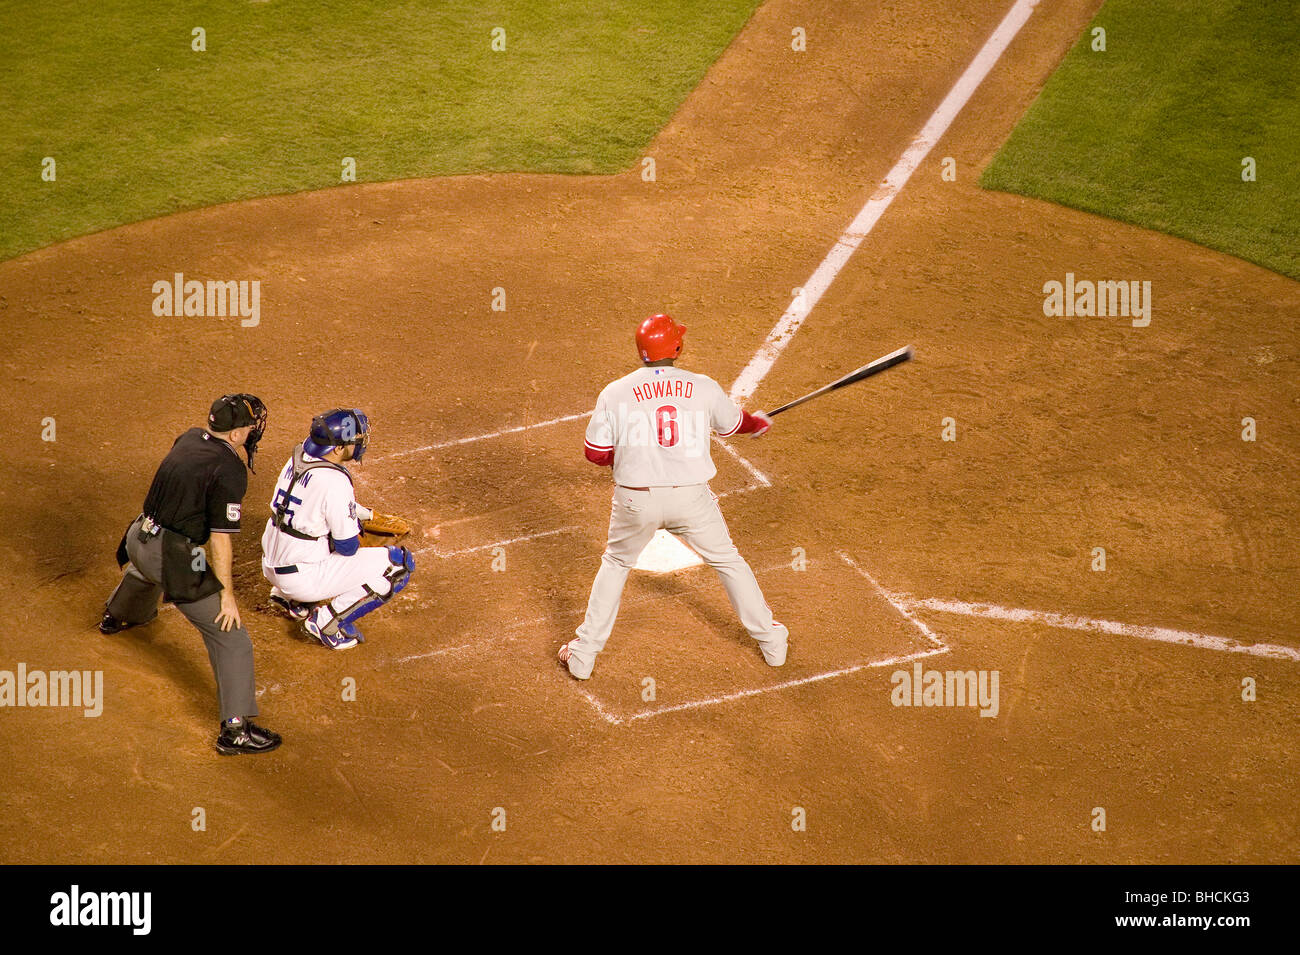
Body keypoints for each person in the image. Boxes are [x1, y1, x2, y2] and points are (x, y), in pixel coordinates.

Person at [560, 314, 788, 680]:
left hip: (636, 502)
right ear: (677, 348)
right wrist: (757, 422)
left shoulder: (615, 392)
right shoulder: (702, 386)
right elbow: (734, 424)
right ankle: (773, 643)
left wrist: (630, 456)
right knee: (728, 561)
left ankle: (583, 655)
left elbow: (596, 453)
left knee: (616, 565)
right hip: (691, 500)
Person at [101, 394, 281, 755]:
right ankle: (235, 731)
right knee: (232, 638)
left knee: (150, 568)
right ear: (233, 435)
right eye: (247, 426)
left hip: (136, 536)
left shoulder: (189, 436)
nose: (251, 431)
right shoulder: (230, 470)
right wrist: (227, 596)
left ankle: (117, 615)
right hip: (167, 556)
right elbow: (220, 541)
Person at [260, 408, 415, 650]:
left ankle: (288, 598)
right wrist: (359, 528)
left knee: (307, 530)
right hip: (301, 576)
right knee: (399, 564)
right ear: (338, 449)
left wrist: (366, 515)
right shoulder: (335, 481)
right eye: (355, 440)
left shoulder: (298, 456)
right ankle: (326, 623)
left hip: (273, 562)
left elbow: (316, 502)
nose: (360, 443)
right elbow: (348, 547)